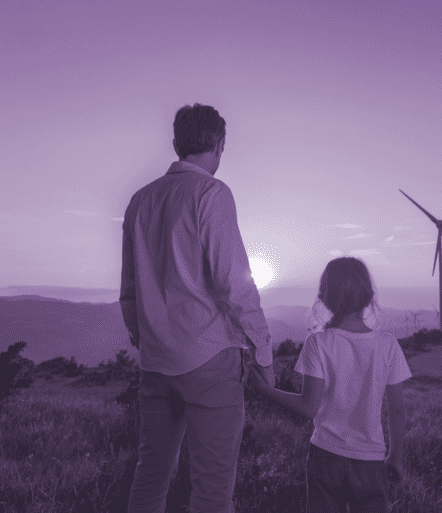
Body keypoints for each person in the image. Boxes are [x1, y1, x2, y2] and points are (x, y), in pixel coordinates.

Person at [120, 103, 275, 513]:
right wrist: (262, 350)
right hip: (209, 358)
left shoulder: (140, 200)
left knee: (151, 474)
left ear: (176, 143)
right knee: (211, 488)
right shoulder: (212, 193)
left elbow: (129, 291)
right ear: (220, 144)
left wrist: (147, 337)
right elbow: (234, 283)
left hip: (154, 362)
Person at [247, 256, 412, 513]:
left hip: (325, 456)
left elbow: (307, 407)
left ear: (324, 298)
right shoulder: (388, 344)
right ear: (369, 297)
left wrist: (265, 390)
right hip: (370, 460)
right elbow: (397, 410)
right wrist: (396, 458)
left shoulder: (318, 343)